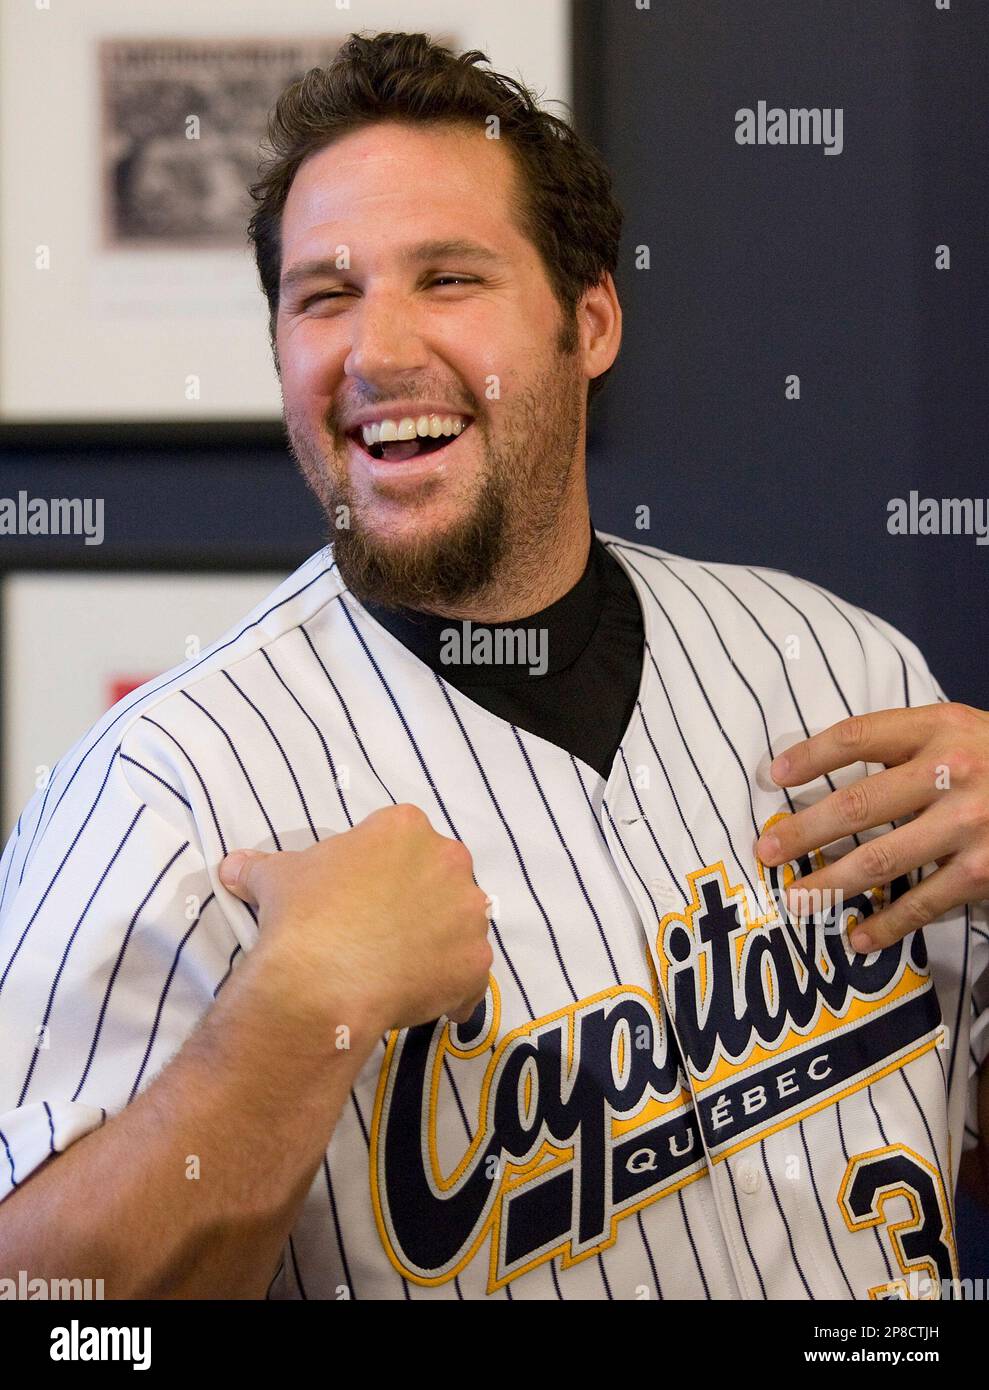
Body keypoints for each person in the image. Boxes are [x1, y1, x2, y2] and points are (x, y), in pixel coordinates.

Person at [0, 30, 987, 1300]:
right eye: (323, 296)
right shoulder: (164, 790)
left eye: (448, 277)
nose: (376, 349)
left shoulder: (842, 670)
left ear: (588, 320)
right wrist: (295, 1012)